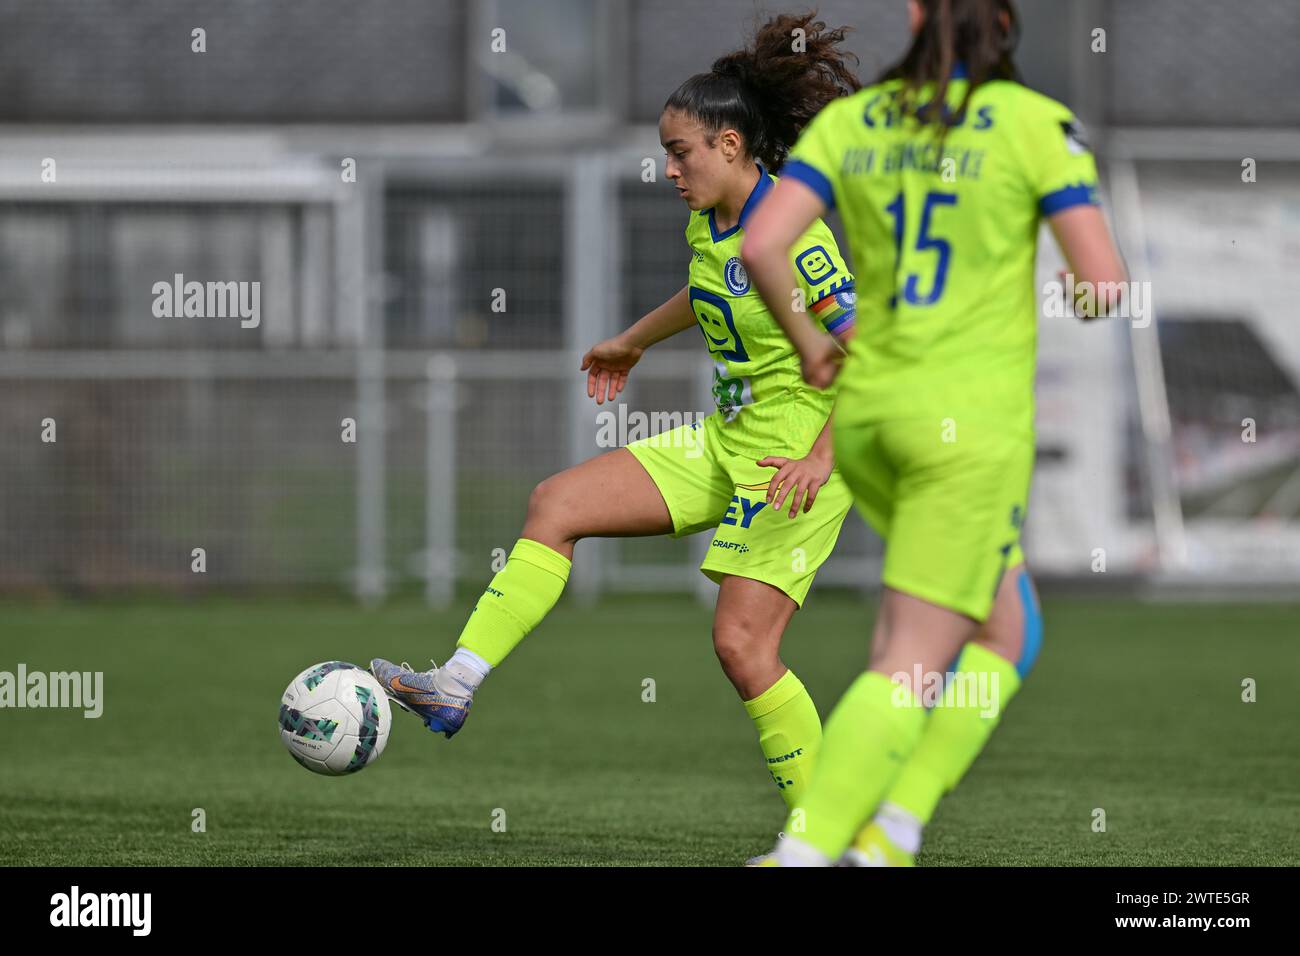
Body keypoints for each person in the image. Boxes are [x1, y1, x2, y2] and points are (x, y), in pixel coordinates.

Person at [371, 12, 862, 818]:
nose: (668, 168)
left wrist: (820, 459)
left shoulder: (797, 236)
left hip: (796, 461)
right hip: (729, 439)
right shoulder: (713, 221)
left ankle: (825, 836)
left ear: (730, 147)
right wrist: (633, 342)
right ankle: (453, 686)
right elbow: (710, 290)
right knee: (556, 503)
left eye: (681, 152)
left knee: (742, 646)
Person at [741, 0, 1128, 865]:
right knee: (912, 658)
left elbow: (764, 244)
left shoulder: (853, 121)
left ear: (915, 13)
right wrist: (1065, 281)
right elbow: (1101, 285)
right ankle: (805, 854)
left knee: (1007, 630)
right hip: (965, 430)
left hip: (872, 416)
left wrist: (810, 347)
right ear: (1004, 18)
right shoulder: (1036, 123)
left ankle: (895, 830)